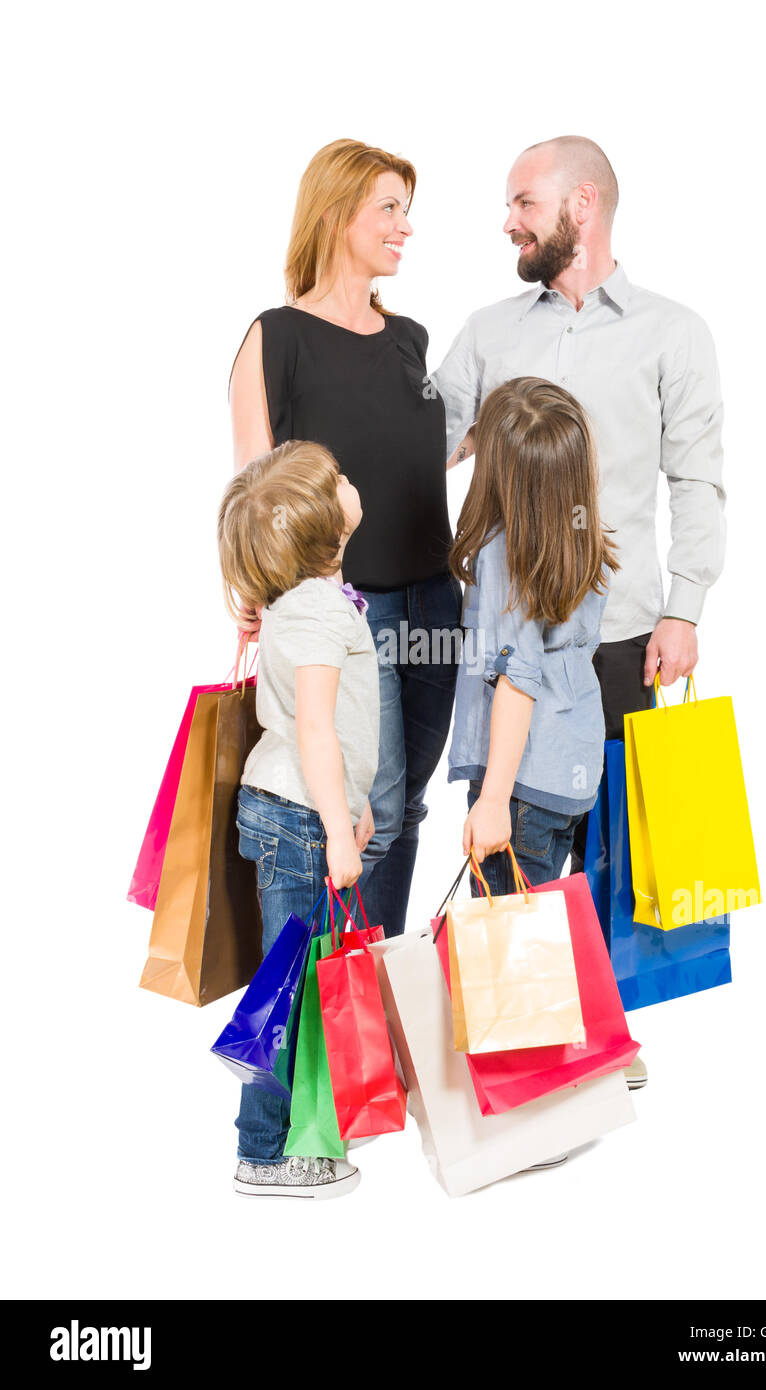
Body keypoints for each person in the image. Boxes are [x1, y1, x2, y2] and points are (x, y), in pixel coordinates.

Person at [434, 134, 727, 1089]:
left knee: (613, 839)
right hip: (512, 634)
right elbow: (424, 447)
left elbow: (697, 477)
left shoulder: (670, 331)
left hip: (623, 635)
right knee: (526, 827)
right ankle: (549, 1038)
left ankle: (602, 1031)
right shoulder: (488, 330)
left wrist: (684, 609)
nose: (507, 221)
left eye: (523, 201)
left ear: (582, 206)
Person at [229, 138, 462, 939]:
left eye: (407, 210)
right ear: (335, 215)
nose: (405, 227)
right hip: (347, 613)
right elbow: (249, 492)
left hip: (436, 600)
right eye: (387, 209)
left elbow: (420, 452)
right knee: (374, 803)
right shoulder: (277, 337)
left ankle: (374, 983)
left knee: (405, 804)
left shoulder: (410, 339)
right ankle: (356, 1002)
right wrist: (249, 592)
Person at [217, 440, 378, 1199]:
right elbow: (314, 730)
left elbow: (333, 730)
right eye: (340, 481)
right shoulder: (315, 610)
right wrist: (339, 830)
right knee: (288, 990)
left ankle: (282, 1139)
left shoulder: (312, 595)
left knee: (294, 981)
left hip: (299, 811)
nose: (351, 481)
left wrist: (356, 803)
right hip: (297, 821)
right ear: (326, 531)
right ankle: (265, 1152)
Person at [449, 377, 617, 892]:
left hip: (519, 790)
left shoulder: (504, 550)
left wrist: (494, 798)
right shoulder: (583, 536)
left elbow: (517, 679)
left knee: (507, 964)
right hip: (568, 775)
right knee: (538, 953)